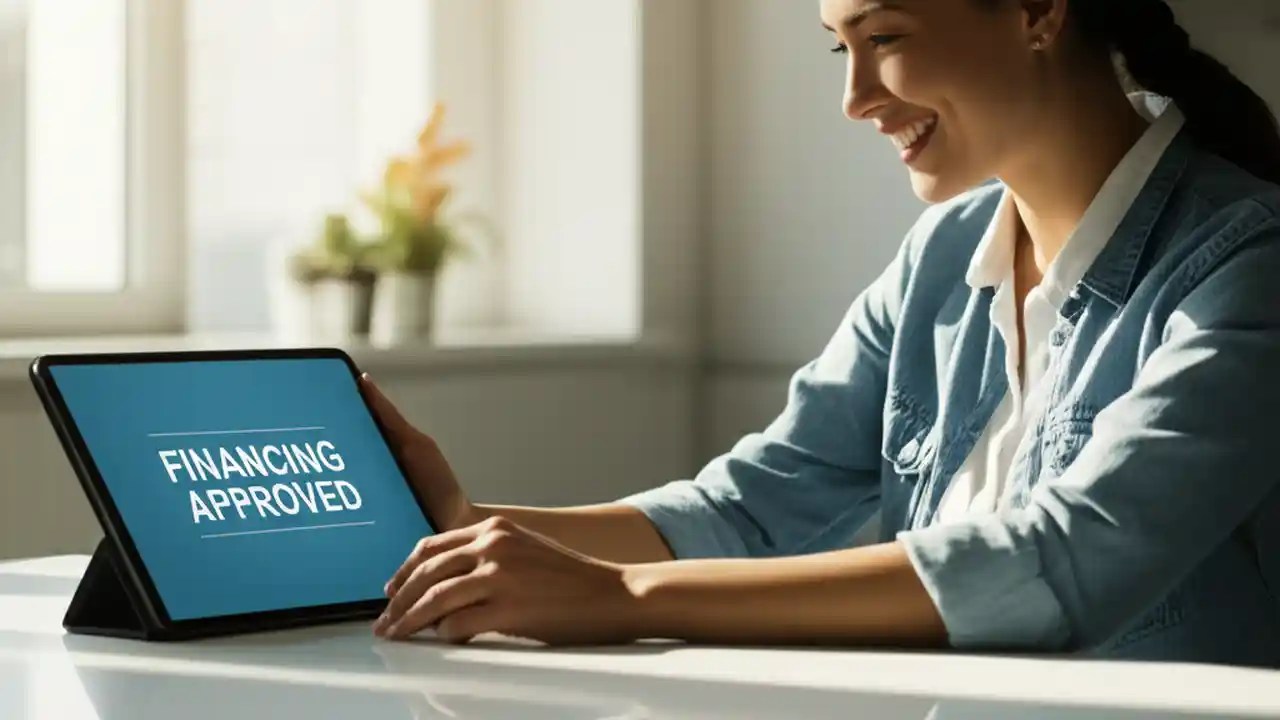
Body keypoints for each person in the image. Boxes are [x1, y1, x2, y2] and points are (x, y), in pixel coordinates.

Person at [366, 0, 1280, 666]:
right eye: (841, 46)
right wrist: (464, 528)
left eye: (885, 39)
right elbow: (754, 508)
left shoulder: (1246, 262)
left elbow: (1069, 558)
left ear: (1038, 10)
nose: (854, 97)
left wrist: (625, 598)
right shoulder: (942, 258)